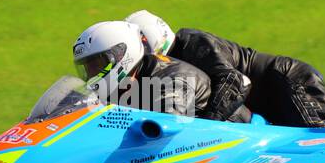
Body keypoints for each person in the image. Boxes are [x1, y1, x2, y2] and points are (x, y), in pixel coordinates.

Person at [126, 10, 325, 128]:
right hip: (269, 101)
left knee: (322, 142)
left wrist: (205, 127)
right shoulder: (169, 66)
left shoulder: (193, 44)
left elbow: (236, 82)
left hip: (287, 82)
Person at [72, 20, 218, 120]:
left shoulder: (174, 79)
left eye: (97, 65)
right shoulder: (123, 83)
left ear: (122, 53)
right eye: (87, 68)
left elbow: (167, 125)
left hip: (225, 154)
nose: (92, 74)